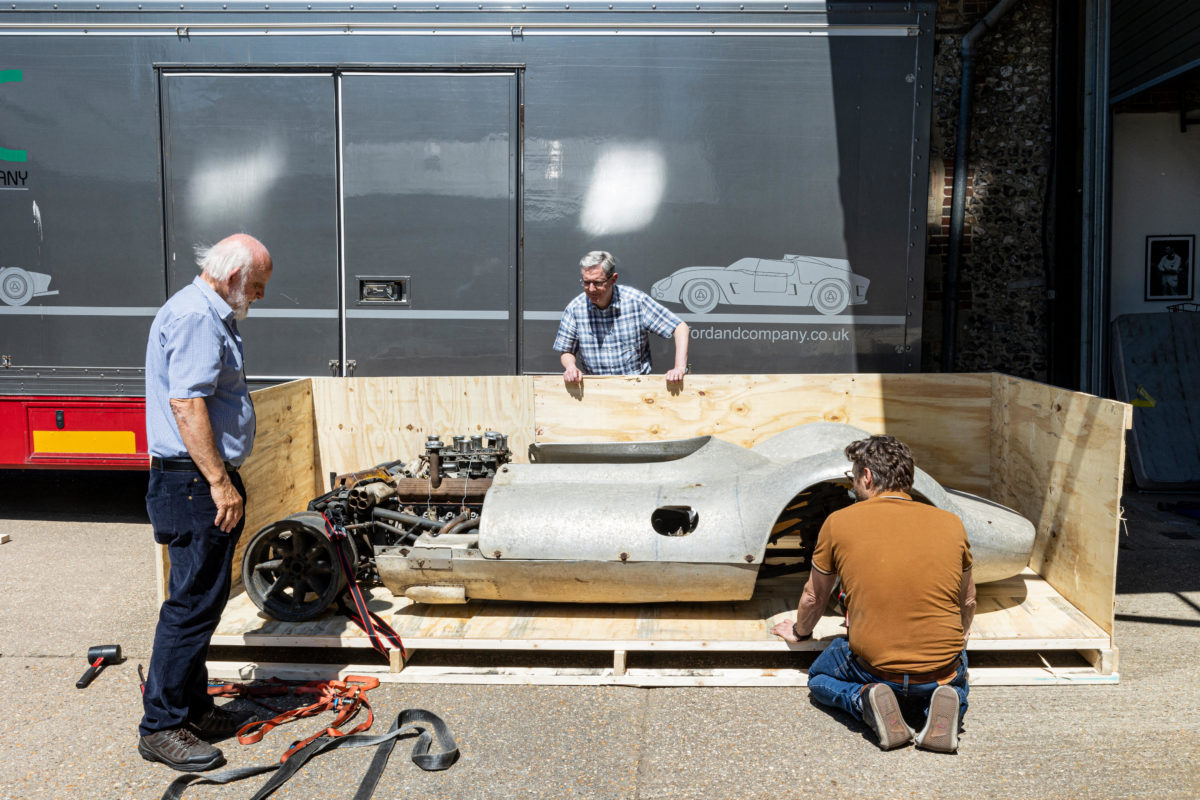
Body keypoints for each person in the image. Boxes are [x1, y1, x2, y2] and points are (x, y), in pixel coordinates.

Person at [137, 233, 273, 772]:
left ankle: (192, 709)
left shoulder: (208, 312)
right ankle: (161, 725)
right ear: (233, 276)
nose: (260, 295)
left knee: (201, 602)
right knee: (191, 606)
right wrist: (219, 481)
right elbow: (187, 404)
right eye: (257, 285)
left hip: (195, 482)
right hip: (195, 484)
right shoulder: (197, 317)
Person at [771, 434, 976, 754]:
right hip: (939, 671)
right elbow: (969, 600)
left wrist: (800, 631)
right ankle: (943, 706)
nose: (852, 483)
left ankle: (864, 699)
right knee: (956, 666)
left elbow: (814, 596)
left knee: (820, 678)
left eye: (853, 476)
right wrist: (958, 638)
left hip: (876, 669)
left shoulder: (838, 522)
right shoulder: (951, 523)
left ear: (867, 476)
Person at [554, 250, 690, 383]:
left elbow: (679, 327)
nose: (591, 289)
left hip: (637, 386)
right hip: (596, 388)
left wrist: (679, 367)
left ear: (613, 279)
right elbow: (567, 350)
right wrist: (571, 367)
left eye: (597, 283)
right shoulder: (575, 309)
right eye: (586, 282)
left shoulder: (636, 301)